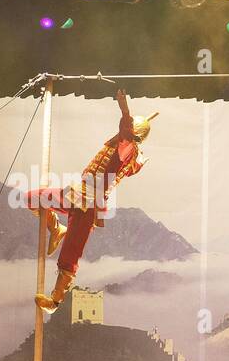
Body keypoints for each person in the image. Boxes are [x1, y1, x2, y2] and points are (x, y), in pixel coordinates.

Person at [26, 89, 156, 313]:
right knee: (34, 198)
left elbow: (125, 131)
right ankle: (57, 228)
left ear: (134, 133)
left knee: (70, 254)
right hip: (78, 191)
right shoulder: (123, 146)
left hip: (91, 203)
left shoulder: (128, 148)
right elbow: (126, 139)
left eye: (130, 128)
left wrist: (124, 108)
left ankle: (55, 301)